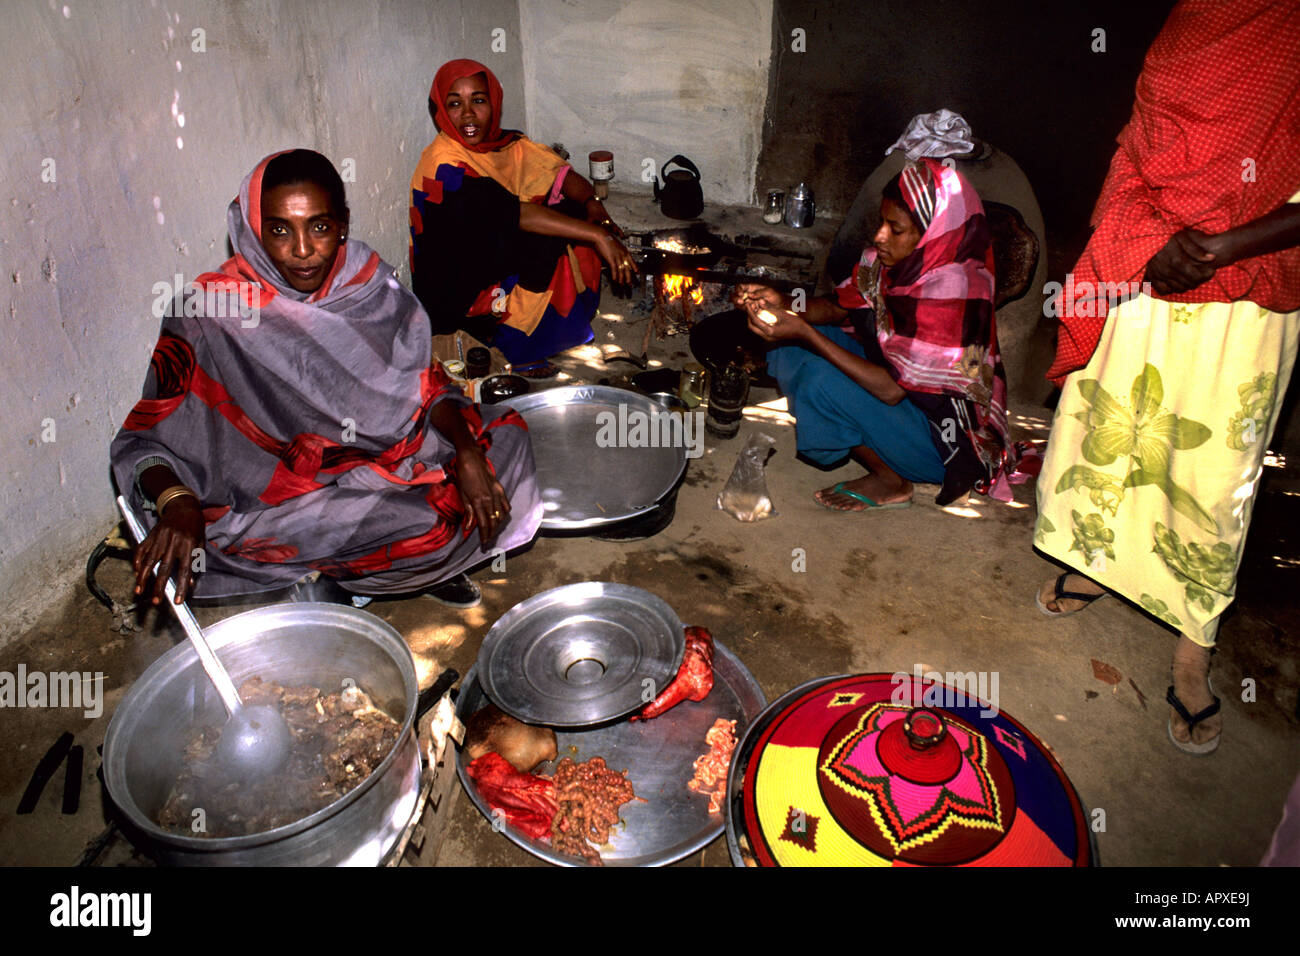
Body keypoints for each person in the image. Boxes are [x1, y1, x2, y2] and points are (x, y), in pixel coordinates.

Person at [1034, 0, 1300, 755]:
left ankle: (1194, 651)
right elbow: (1149, 135)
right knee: (1109, 429)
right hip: (1149, 254)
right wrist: (1142, 230)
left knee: (1210, 472)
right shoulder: (1201, 15)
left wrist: (1221, 245)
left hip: (1249, 276)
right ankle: (1093, 564)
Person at [112, 149, 543, 610]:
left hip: (383, 461)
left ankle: (363, 569)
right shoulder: (211, 314)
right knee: (428, 522)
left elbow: (429, 388)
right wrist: (177, 502)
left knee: (508, 436)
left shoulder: (367, 285)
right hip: (278, 504)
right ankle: (354, 578)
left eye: (319, 226)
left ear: (343, 224)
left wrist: (468, 453)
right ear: (252, 228)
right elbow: (145, 440)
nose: (302, 250)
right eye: (279, 230)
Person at [734, 158, 1027, 511]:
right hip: (905, 400)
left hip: (943, 440)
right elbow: (841, 305)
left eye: (895, 228)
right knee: (786, 349)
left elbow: (890, 390)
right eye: (882, 222)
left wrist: (807, 333)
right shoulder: (888, 263)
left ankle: (891, 477)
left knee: (818, 378)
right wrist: (785, 305)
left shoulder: (954, 290)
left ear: (932, 232)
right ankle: (870, 448)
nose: (879, 236)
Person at [409, 59, 638, 378]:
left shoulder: (502, 144)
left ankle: (555, 326)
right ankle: (513, 347)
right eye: (455, 103)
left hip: (490, 244)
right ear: (441, 110)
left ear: (493, 102)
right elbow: (518, 214)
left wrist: (591, 202)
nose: (468, 114)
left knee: (572, 213)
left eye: (478, 100)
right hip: (455, 288)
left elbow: (554, 170)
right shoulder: (443, 167)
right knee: (548, 237)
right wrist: (599, 236)